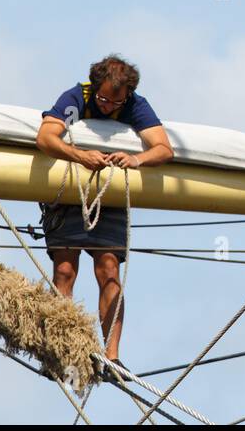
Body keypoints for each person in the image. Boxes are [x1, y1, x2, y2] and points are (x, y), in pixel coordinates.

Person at [35, 55, 173, 372]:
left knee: (108, 270)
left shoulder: (136, 105)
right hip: (70, 191)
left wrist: (137, 160)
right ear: (95, 87)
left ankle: (111, 357)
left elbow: (163, 148)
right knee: (65, 270)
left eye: (116, 102)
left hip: (108, 193)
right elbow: (45, 137)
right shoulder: (77, 96)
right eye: (103, 100)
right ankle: (60, 346)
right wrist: (80, 156)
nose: (108, 107)